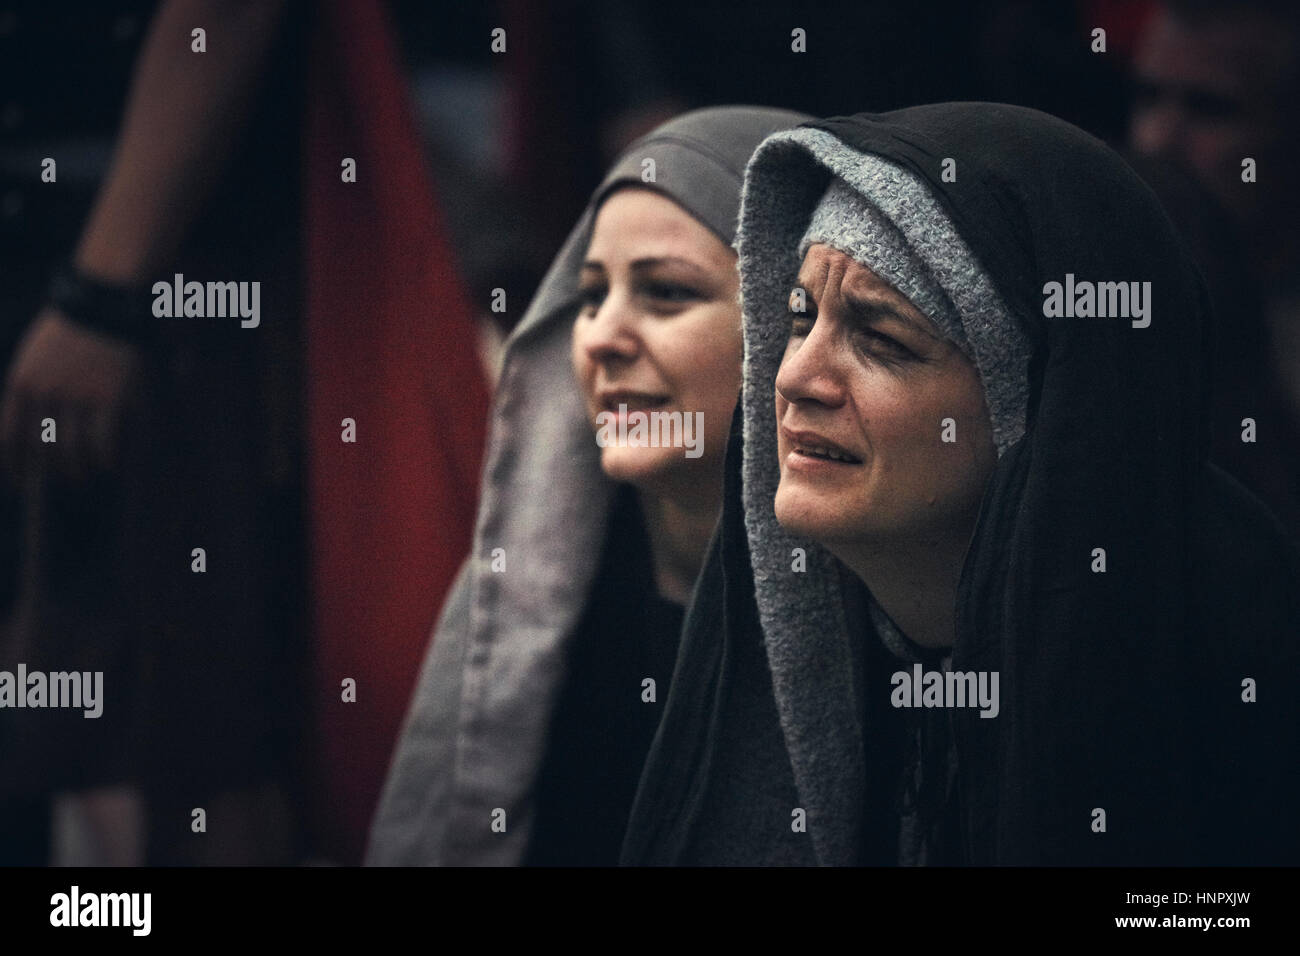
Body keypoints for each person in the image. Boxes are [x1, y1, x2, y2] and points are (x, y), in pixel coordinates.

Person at [622, 102, 1300, 866]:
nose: (797, 378)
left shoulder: (1231, 691)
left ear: (1039, 404)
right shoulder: (830, 662)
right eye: (799, 318)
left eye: (881, 339)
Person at [366, 105, 811, 866]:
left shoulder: (891, 622)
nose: (602, 335)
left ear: (799, 326)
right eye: (591, 294)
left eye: (667, 292)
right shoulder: (537, 590)